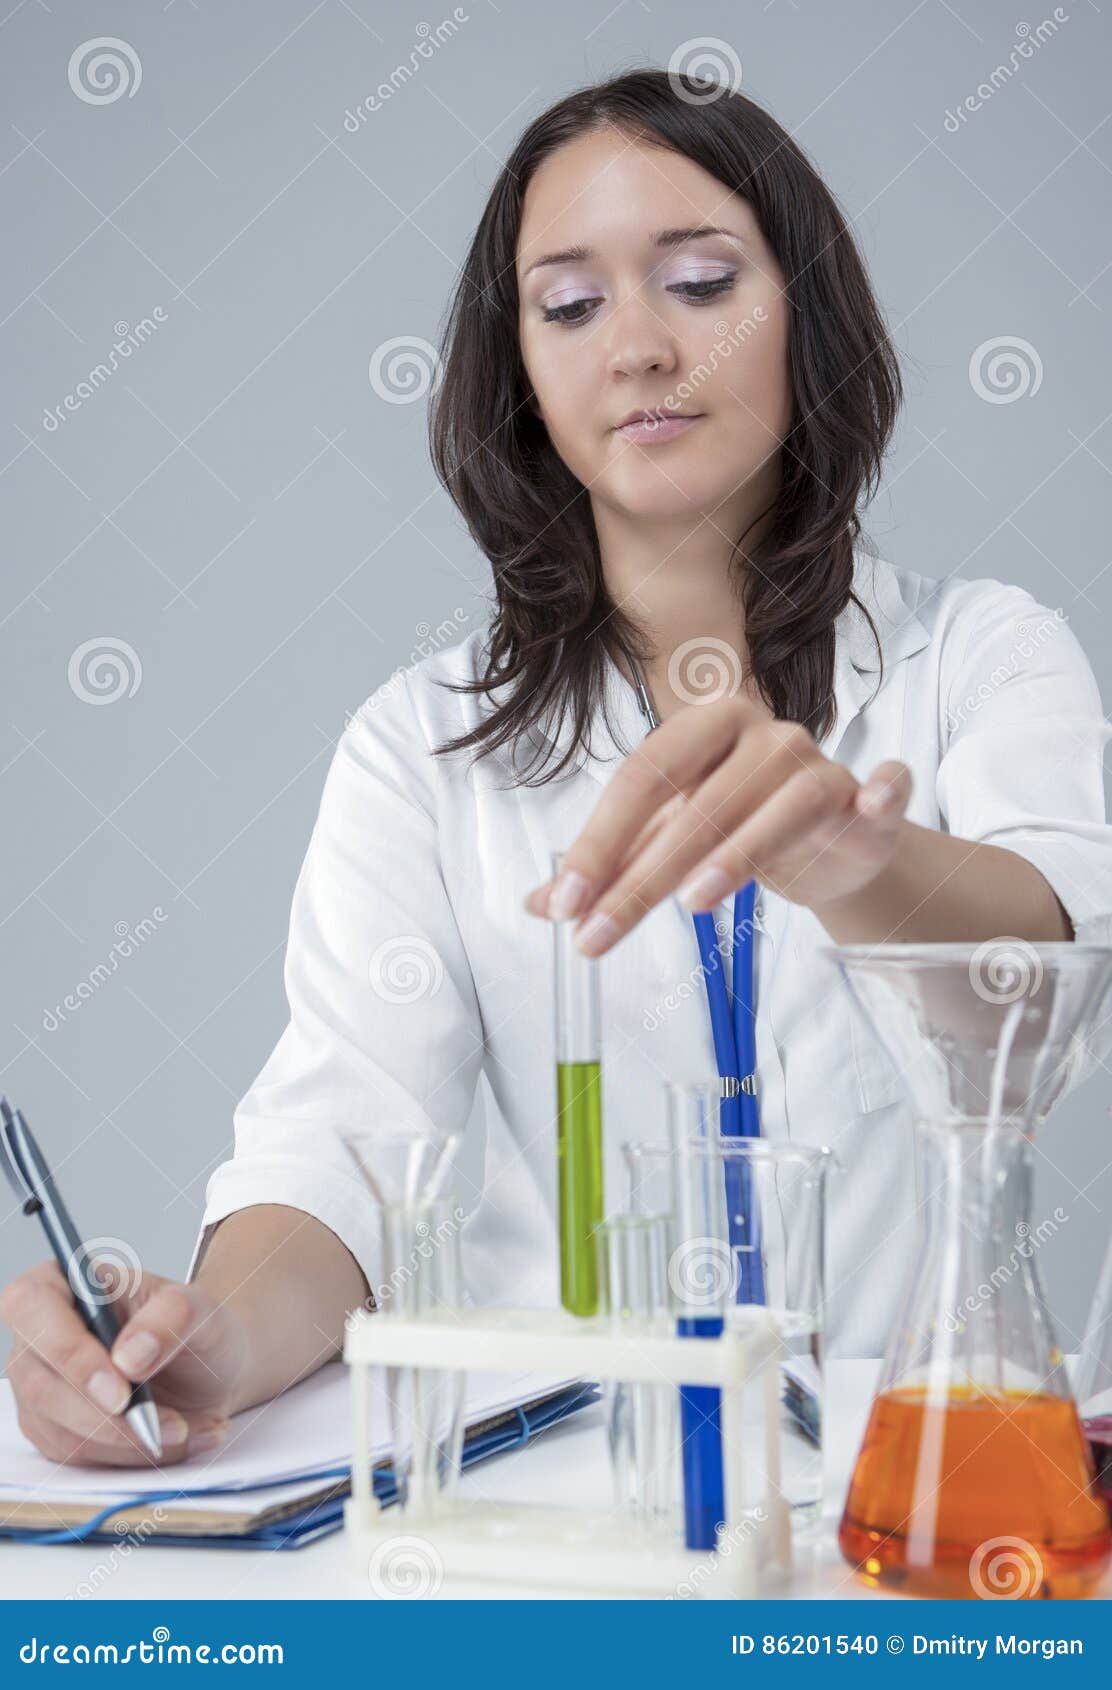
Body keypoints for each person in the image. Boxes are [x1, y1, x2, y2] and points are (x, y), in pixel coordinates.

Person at [5, 69, 1110, 1467]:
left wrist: (856, 859)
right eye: (570, 305)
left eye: (701, 283)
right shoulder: (424, 747)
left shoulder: (983, 659)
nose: (638, 346)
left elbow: (1048, 1001)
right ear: (521, 372)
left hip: (909, 1486)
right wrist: (206, 1342)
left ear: (806, 320)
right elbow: (340, 1146)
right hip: (576, 1494)